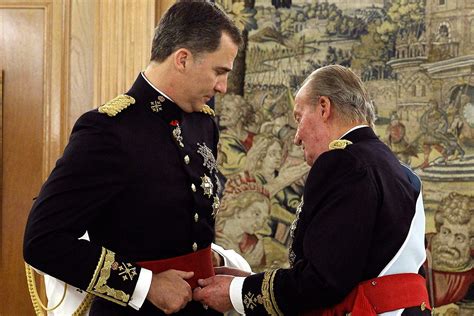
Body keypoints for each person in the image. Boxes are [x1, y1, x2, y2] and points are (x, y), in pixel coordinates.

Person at [23, 1, 242, 315]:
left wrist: (214, 260)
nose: (223, 86)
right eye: (219, 72)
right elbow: (42, 241)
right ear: (183, 59)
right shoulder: (108, 129)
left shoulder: (203, 123)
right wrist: (145, 285)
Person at [193, 65, 431, 315]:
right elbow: (353, 268)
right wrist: (247, 282)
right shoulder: (401, 171)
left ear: (324, 107)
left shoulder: (343, 162)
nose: (296, 138)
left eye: (299, 118)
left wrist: (236, 293)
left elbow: (322, 281)